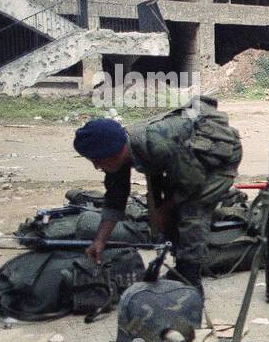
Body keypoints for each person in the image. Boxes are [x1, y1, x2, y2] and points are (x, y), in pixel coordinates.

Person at [73, 95, 241, 295]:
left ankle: (191, 282)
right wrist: (99, 241)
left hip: (220, 159)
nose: (96, 166)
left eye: (98, 160)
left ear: (117, 152)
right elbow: (115, 200)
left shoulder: (156, 143)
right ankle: (182, 266)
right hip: (186, 160)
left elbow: (192, 184)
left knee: (191, 212)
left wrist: (164, 209)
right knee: (169, 212)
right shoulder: (120, 153)